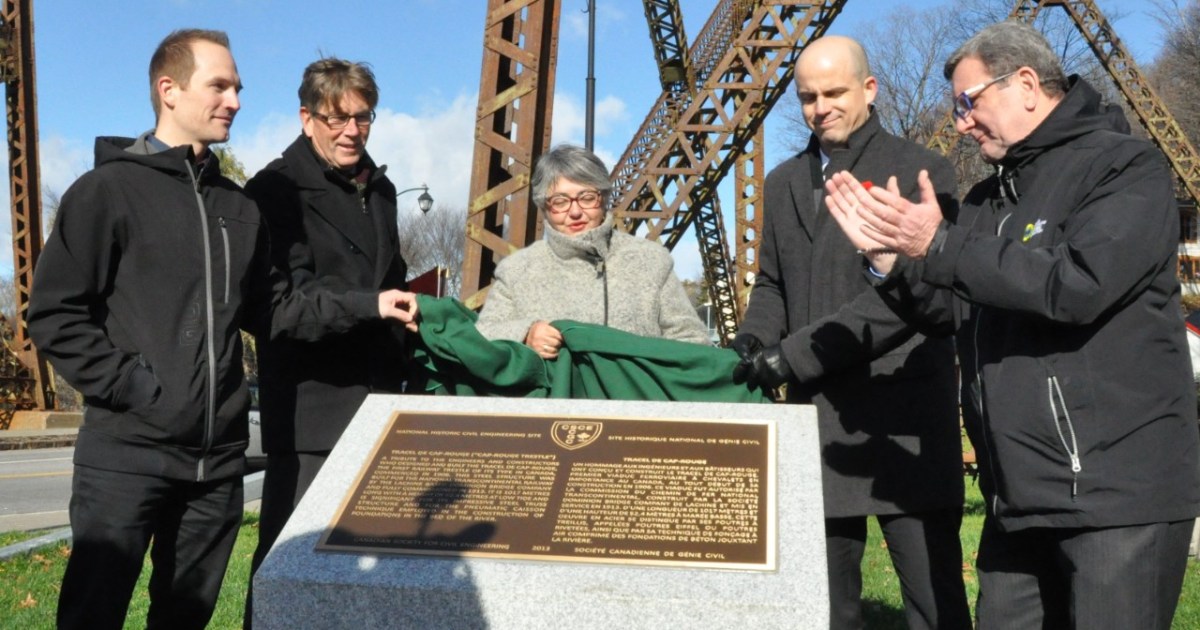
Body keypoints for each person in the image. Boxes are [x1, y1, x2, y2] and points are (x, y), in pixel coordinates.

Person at [26, 30, 418, 630]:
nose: (234, 99)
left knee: (187, 618)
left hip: (217, 462)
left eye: (237, 87)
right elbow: (54, 314)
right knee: (92, 615)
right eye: (219, 86)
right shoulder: (106, 191)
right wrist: (135, 390)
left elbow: (278, 310)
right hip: (128, 451)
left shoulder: (239, 207)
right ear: (169, 90)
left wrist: (370, 307)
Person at [826, 21, 1200, 629]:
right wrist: (891, 262)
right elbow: (950, 311)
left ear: (1026, 83)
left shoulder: (1124, 168)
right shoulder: (985, 201)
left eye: (967, 103)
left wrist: (940, 245)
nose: (960, 123)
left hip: (1115, 498)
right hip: (1019, 500)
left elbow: (1077, 285)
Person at [730, 36, 970, 630]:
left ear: (869, 88)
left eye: (834, 92)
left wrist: (795, 356)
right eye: (808, 96)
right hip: (820, 418)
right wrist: (753, 339)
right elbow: (773, 284)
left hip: (903, 413)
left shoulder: (922, 169)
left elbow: (909, 301)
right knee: (828, 605)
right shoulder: (784, 181)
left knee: (933, 603)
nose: (820, 107)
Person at [242, 57, 411, 617]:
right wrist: (372, 306)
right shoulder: (274, 190)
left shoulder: (379, 188)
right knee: (286, 573)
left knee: (371, 574)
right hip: (313, 413)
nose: (351, 130)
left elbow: (393, 278)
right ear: (306, 117)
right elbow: (278, 308)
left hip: (381, 403)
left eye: (363, 118)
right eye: (336, 118)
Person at [475, 144, 710, 351]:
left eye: (587, 198)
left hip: (633, 399)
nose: (575, 211)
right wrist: (525, 334)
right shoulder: (517, 270)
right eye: (560, 202)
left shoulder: (651, 261)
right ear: (544, 207)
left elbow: (692, 341)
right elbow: (481, 336)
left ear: (604, 198)